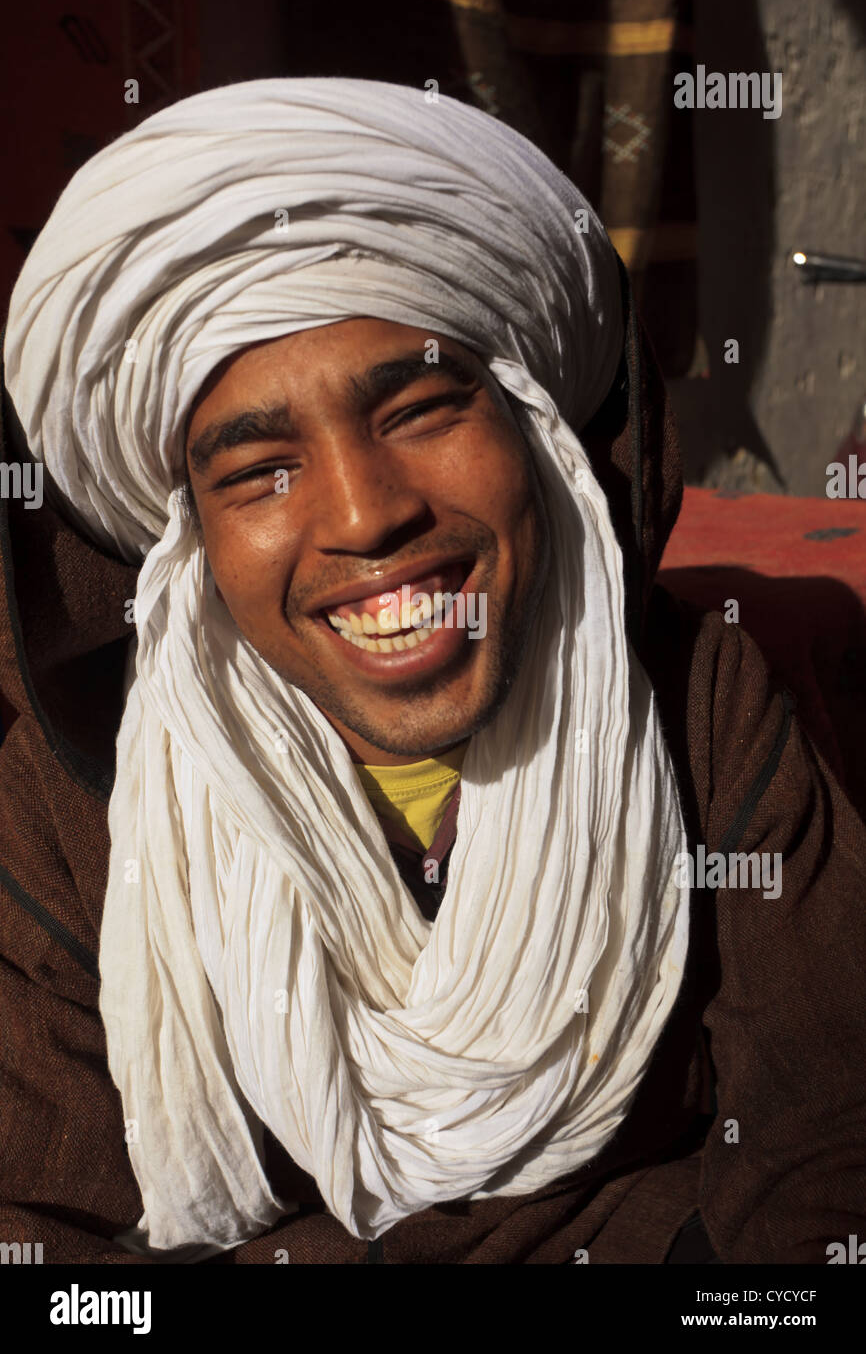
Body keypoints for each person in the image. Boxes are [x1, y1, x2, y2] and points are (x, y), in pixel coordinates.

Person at [0, 78, 863, 1266]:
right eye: (258, 471)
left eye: (418, 408)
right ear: (188, 541)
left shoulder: (691, 705)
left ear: (536, 432)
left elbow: (825, 1160)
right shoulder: (72, 807)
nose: (364, 514)